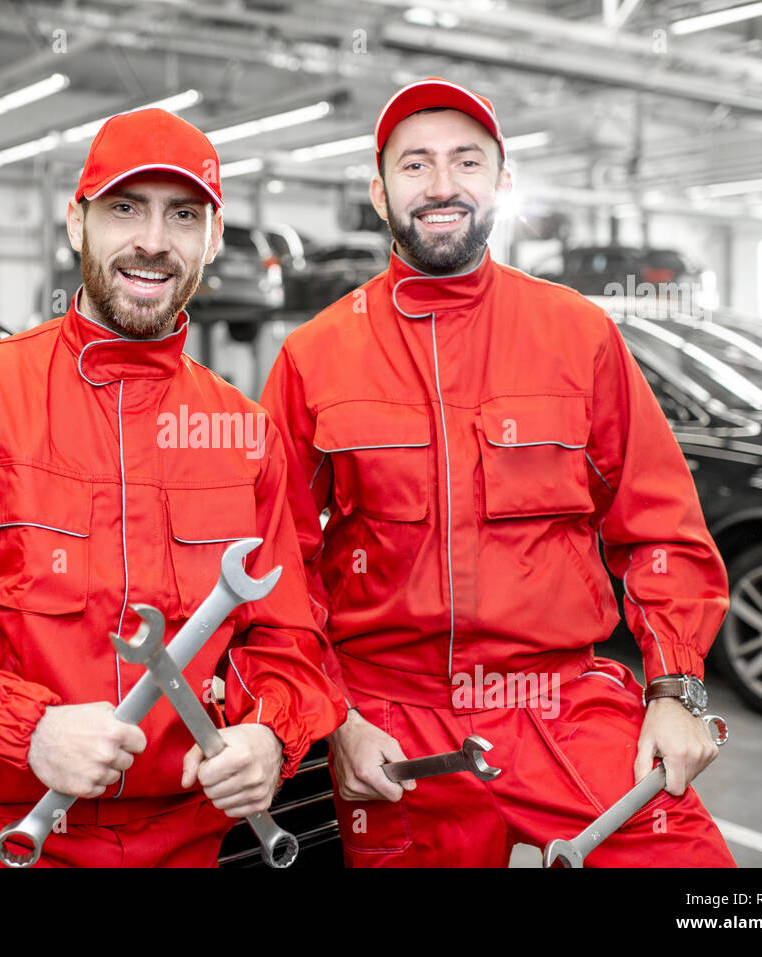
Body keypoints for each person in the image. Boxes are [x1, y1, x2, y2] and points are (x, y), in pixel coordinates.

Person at [0, 108, 345, 867]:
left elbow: (289, 633)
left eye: (182, 215)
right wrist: (28, 728)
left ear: (211, 239)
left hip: (189, 842)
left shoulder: (244, 432)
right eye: (124, 208)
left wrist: (270, 730)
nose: (152, 240)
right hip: (8, 836)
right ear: (76, 224)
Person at [260, 78, 736, 867]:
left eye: (466, 162)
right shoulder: (315, 355)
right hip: (392, 722)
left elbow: (660, 525)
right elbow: (277, 561)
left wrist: (676, 689)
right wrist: (336, 717)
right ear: (379, 192)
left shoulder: (578, 334)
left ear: (501, 183)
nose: (442, 185)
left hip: (560, 702)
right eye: (415, 166)